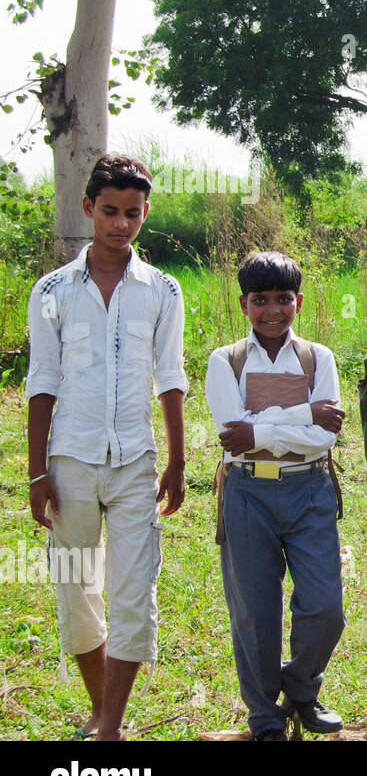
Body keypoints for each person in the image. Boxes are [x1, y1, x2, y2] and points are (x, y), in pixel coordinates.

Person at [26, 154, 188, 741]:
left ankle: (111, 726)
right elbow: (41, 383)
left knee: (133, 594)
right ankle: (101, 710)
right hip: (69, 464)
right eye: (111, 211)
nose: (122, 224)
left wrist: (176, 459)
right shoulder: (52, 291)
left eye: (134, 213)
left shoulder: (163, 290)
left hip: (135, 465)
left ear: (145, 214)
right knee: (76, 594)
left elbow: (170, 378)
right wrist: (36, 472)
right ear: (89, 208)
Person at [204, 251, 346, 741]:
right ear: (243, 303)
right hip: (246, 492)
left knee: (325, 607)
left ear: (298, 301)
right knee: (254, 610)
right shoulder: (226, 361)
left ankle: (302, 688)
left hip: (310, 489)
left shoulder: (317, 357)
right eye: (260, 299)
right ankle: (265, 713)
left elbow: (326, 439)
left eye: (283, 299)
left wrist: (260, 428)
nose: (272, 310)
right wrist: (308, 414)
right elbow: (230, 434)